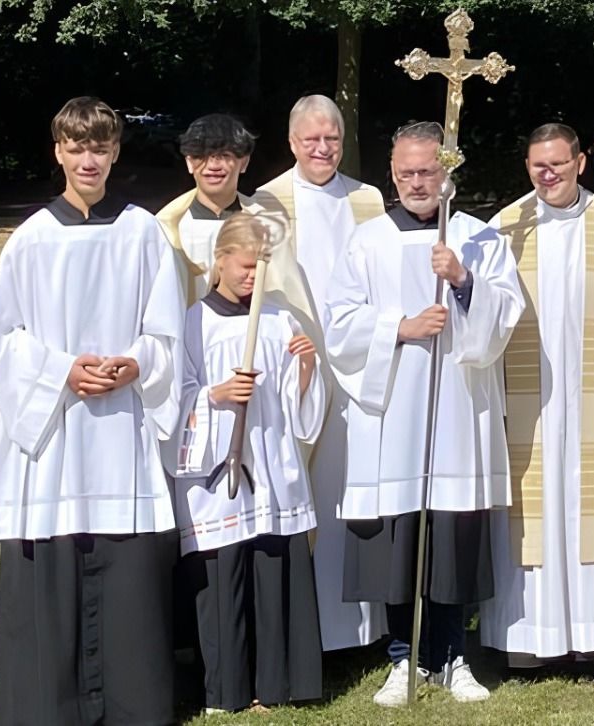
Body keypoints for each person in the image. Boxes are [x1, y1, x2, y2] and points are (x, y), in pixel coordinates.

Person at [0, 96, 186, 726]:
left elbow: (167, 329)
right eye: (77, 147)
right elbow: (3, 341)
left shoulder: (142, 232)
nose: (88, 160)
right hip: (58, 428)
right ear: (58, 152)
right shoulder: (31, 240)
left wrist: (138, 364)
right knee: (53, 560)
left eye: (100, 147)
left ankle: (132, 703)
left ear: (116, 151)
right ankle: (47, 704)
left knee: (127, 572)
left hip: (120, 423)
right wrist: (63, 369)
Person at [322, 121, 524, 707]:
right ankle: (402, 657)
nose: (416, 182)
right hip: (392, 415)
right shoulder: (367, 241)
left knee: (452, 536)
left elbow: (504, 318)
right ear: (391, 174)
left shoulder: (478, 238)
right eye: (406, 172)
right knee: (398, 536)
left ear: (448, 173)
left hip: (456, 413)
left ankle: (454, 655)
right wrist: (401, 329)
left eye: (427, 172)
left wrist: (462, 283)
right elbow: (339, 323)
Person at [480, 123, 594, 667]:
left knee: (591, 511)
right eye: (537, 166)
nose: (547, 174)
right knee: (531, 521)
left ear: (580, 162)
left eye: (557, 163)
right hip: (526, 404)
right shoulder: (505, 227)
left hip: (592, 399)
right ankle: (531, 640)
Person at [169, 212, 326, 714]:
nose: (252, 277)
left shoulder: (280, 321)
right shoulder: (194, 323)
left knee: (270, 574)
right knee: (224, 582)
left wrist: (304, 368)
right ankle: (225, 691)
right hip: (220, 475)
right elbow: (174, 397)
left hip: (270, 469)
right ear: (219, 261)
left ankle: (275, 685)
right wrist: (215, 394)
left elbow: (297, 411)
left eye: (261, 266)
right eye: (244, 266)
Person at [252, 94, 390, 651]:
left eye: (331, 138)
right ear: (291, 142)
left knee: (360, 492)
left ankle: (368, 625)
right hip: (300, 370)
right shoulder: (266, 203)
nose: (322, 148)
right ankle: (307, 631)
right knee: (306, 493)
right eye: (311, 139)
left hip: (363, 366)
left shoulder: (369, 198)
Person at [157, 113, 259, 305]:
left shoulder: (265, 224)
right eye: (201, 156)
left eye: (225, 156)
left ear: (243, 162)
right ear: (189, 162)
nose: (212, 165)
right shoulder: (166, 229)